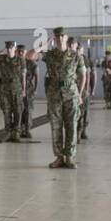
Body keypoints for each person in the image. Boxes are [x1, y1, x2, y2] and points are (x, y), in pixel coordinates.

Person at [31, 27, 85, 168]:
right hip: (54, 95)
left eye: (62, 36)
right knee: (56, 127)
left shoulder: (76, 56)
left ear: (66, 37)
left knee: (71, 126)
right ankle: (59, 157)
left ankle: (70, 157)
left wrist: (79, 93)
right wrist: (42, 45)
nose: (60, 38)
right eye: (57, 36)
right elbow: (29, 56)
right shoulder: (49, 55)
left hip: (71, 95)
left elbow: (82, 75)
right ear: (54, 38)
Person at [0, 41, 24, 142]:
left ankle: (16, 133)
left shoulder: (20, 60)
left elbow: (23, 76)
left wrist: (24, 90)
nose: (9, 50)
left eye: (11, 48)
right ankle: (8, 132)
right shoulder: (1, 59)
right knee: (6, 111)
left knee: (18, 111)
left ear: (14, 49)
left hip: (17, 89)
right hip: (5, 90)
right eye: (7, 48)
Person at [20, 46, 37, 139]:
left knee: (28, 110)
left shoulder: (31, 63)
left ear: (25, 52)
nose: (21, 53)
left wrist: (35, 89)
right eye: (19, 51)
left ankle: (27, 130)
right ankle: (21, 129)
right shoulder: (17, 63)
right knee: (20, 110)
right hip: (19, 90)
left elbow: (37, 76)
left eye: (23, 51)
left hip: (29, 90)